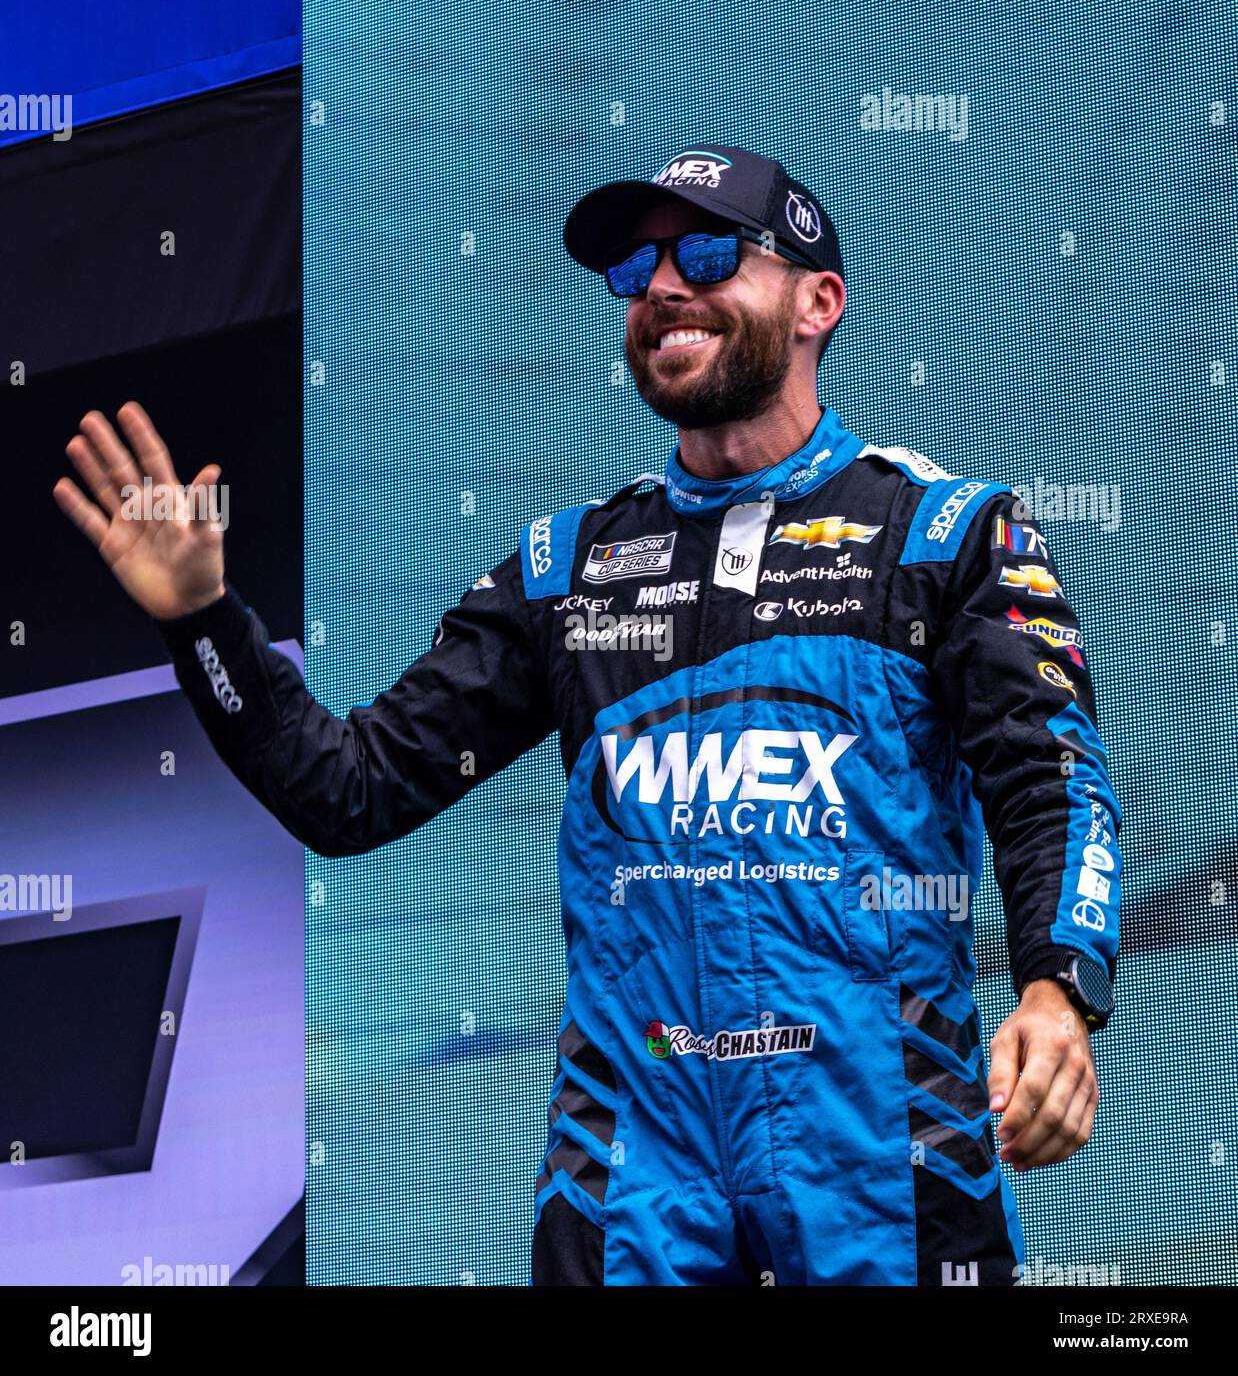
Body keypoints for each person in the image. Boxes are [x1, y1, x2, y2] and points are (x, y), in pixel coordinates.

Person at [53, 143, 1121, 1286]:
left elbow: (1048, 777)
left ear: (819, 302)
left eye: (708, 253)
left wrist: (1056, 986)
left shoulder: (949, 531)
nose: (663, 286)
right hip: (632, 1172)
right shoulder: (570, 569)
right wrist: (204, 619)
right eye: (636, 269)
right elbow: (347, 789)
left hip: (879, 1148)